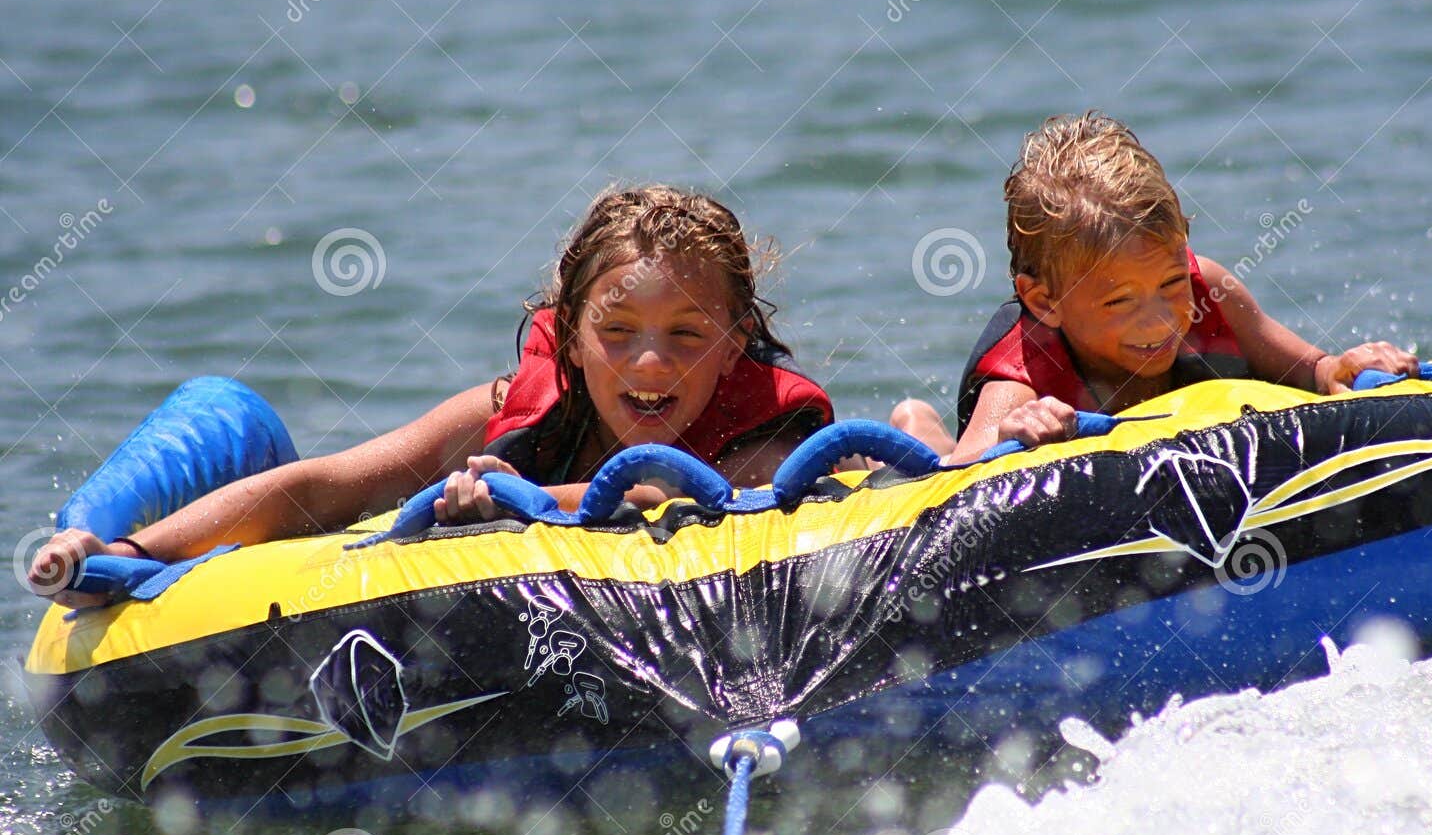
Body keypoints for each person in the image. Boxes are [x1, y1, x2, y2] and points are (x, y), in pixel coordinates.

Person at [31, 185, 832, 608]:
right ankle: (98, 539)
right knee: (225, 420)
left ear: (734, 346)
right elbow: (329, 487)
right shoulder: (502, 412)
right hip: (208, 546)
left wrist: (516, 500)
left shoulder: (761, 437)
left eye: (688, 336)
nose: (650, 360)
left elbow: (659, 492)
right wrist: (140, 553)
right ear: (572, 336)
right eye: (617, 331)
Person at [893, 112, 1417, 462]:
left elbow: (1313, 371)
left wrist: (1346, 366)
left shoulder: (1209, 291)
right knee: (934, 455)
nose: (1160, 319)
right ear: (1045, 301)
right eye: (1120, 300)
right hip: (971, 447)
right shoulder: (1023, 370)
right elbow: (959, 476)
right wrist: (1012, 430)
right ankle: (921, 428)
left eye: (1170, 282)